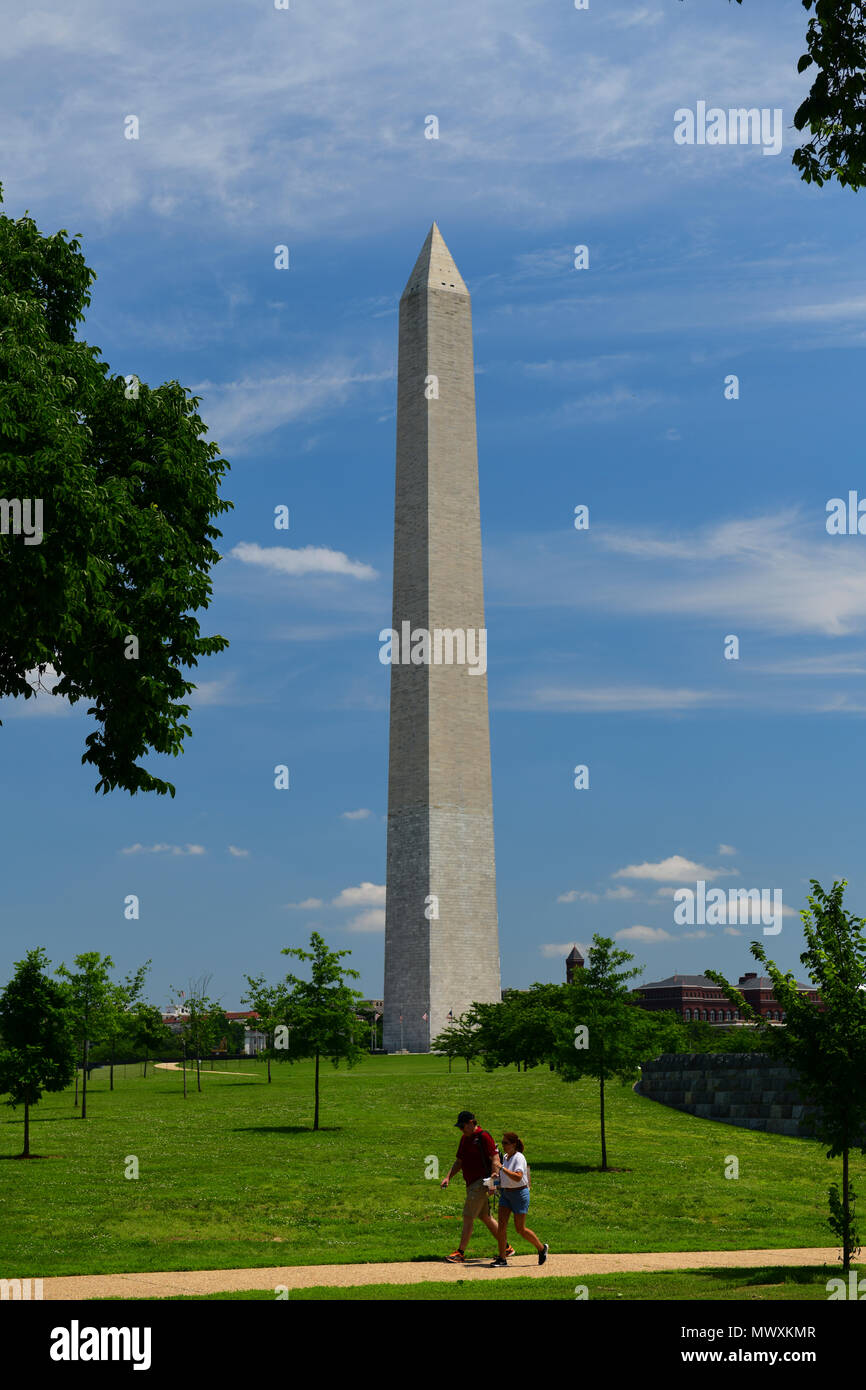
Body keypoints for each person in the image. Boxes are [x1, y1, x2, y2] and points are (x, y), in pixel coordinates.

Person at [440, 1110, 514, 1262]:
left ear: (471, 1123)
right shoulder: (465, 1138)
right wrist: (448, 1177)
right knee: (485, 1216)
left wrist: (493, 1183)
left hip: (482, 1182)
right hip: (472, 1182)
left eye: (463, 1126)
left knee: (468, 1216)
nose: (461, 1129)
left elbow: (495, 1159)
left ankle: (460, 1252)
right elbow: (459, 1161)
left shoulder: (483, 1136)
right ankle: (506, 1247)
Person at [491, 1131, 548, 1267]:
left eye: (506, 1143)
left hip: (519, 1195)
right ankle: (502, 1258)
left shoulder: (519, 1157)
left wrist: (502, 1169)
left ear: (513, 1144)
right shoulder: (505, 1157)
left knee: (520, 1229)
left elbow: (518, 1176)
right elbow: (505, 1175)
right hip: (506, 1194)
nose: (503, 1145)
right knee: (501, 1227)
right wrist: (496, 1177)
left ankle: (541, 1248)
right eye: (503, 1142)